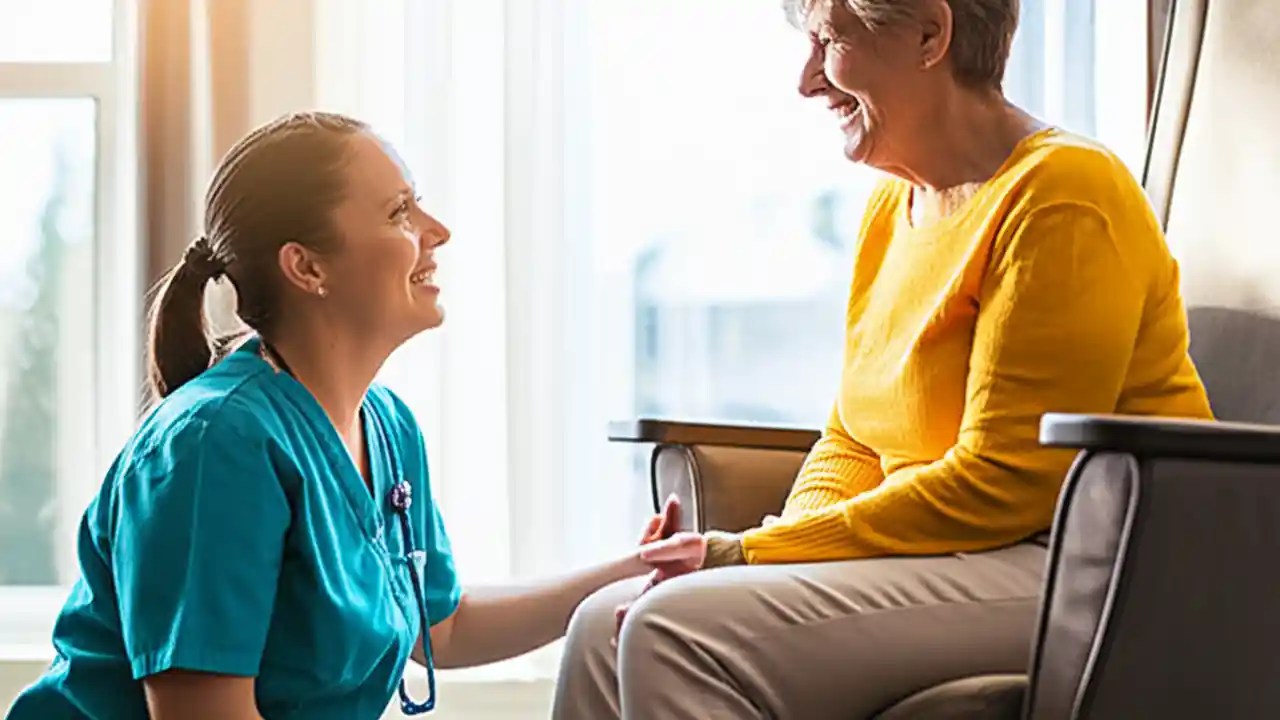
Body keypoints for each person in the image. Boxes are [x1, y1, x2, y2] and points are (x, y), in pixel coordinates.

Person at [552, 0, 1214, 718]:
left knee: (673, 631)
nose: (807, 80)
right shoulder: (889, 208)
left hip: (1092, 566)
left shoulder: (1063, 196)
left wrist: (745, 557)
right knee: (600, 627)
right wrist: (766, 550)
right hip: (962, 559)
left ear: (930, 33)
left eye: (829, 42)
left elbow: (1006, 485)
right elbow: (854, 439)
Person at [5, 111, 704, 720]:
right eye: (400, 212)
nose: (438, 231)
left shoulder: (388, 427)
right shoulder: (213, 443)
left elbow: (446, 625)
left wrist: (631, 572)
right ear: (307, 268)